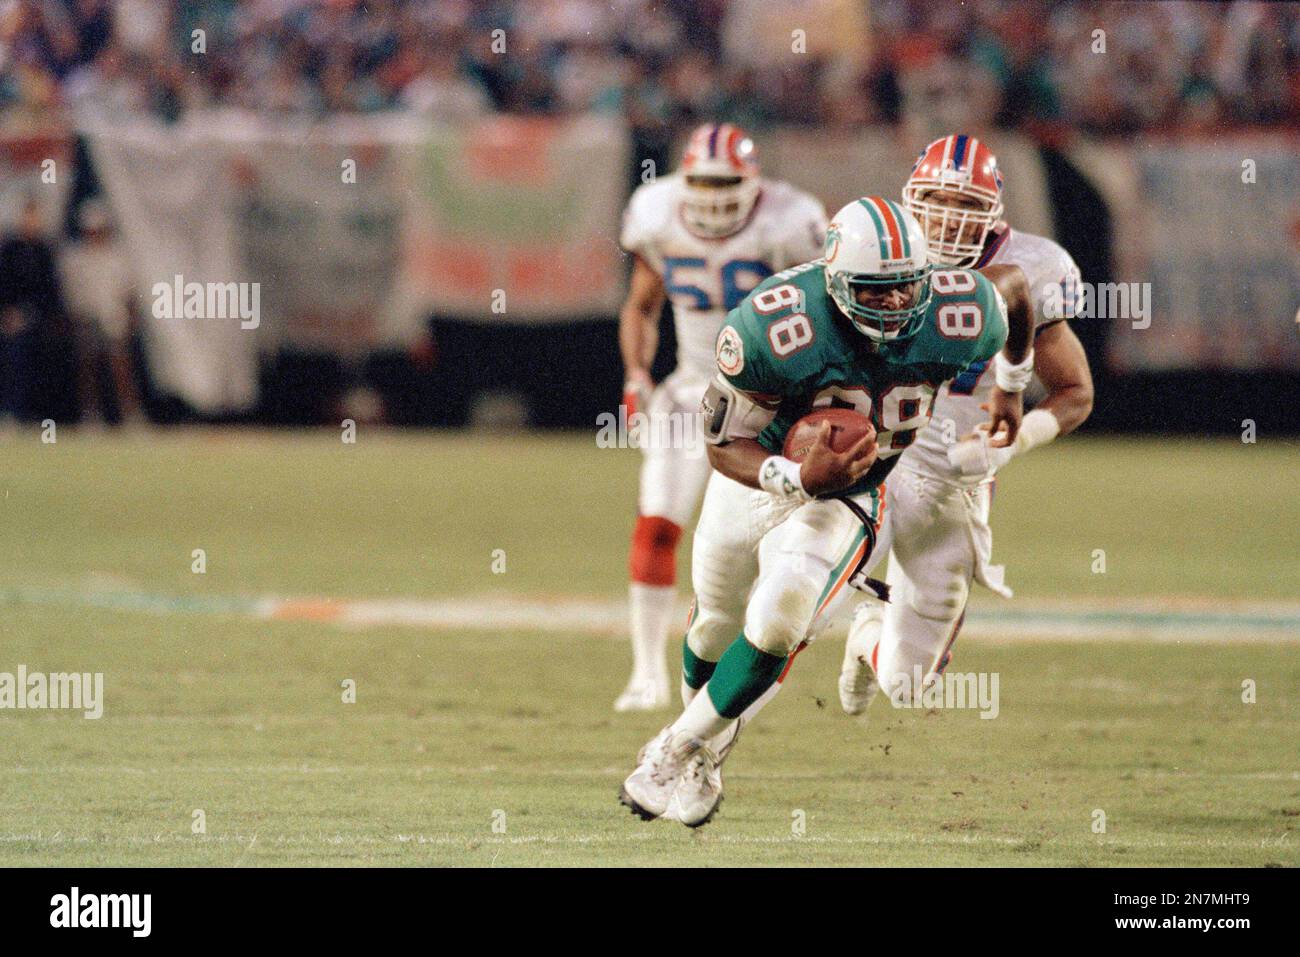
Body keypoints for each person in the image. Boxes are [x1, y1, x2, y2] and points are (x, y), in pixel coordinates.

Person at [620, 196, 1032, 826]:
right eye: (876, 291)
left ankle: (675, 748)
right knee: (713, 624)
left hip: (852, 492)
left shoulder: (958, 309)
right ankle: (711, 747)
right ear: (837, 284)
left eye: (905, 288)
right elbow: (719, 440)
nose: (896, 305)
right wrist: (791, 473)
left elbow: (1016, 292)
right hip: (760, 477)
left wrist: (1012, 380)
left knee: (781, 619)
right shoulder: (774, 326)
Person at [614, 121, 827, 712]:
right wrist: (637, 375)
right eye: (701, 183)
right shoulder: (657, 215)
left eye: (724, 183)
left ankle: (756, 668)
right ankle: (645, 671)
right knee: (657, 522)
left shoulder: (789, 222)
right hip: (693, 392)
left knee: (783, 548)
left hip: (776, 399)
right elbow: (641, 305)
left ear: (751, 182)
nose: (711, 196)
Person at [60, 200, 145, 426]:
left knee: (121, 368)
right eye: (91, 231)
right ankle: (91, 415)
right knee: (87, 369)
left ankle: (131, 414)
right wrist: (76, 317)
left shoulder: (118, 257)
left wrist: (130, 318)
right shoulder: (75, 258)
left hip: (113, 318)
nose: (95, 235)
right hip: (87, 318)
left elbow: (129, 292)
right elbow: (71, 293)